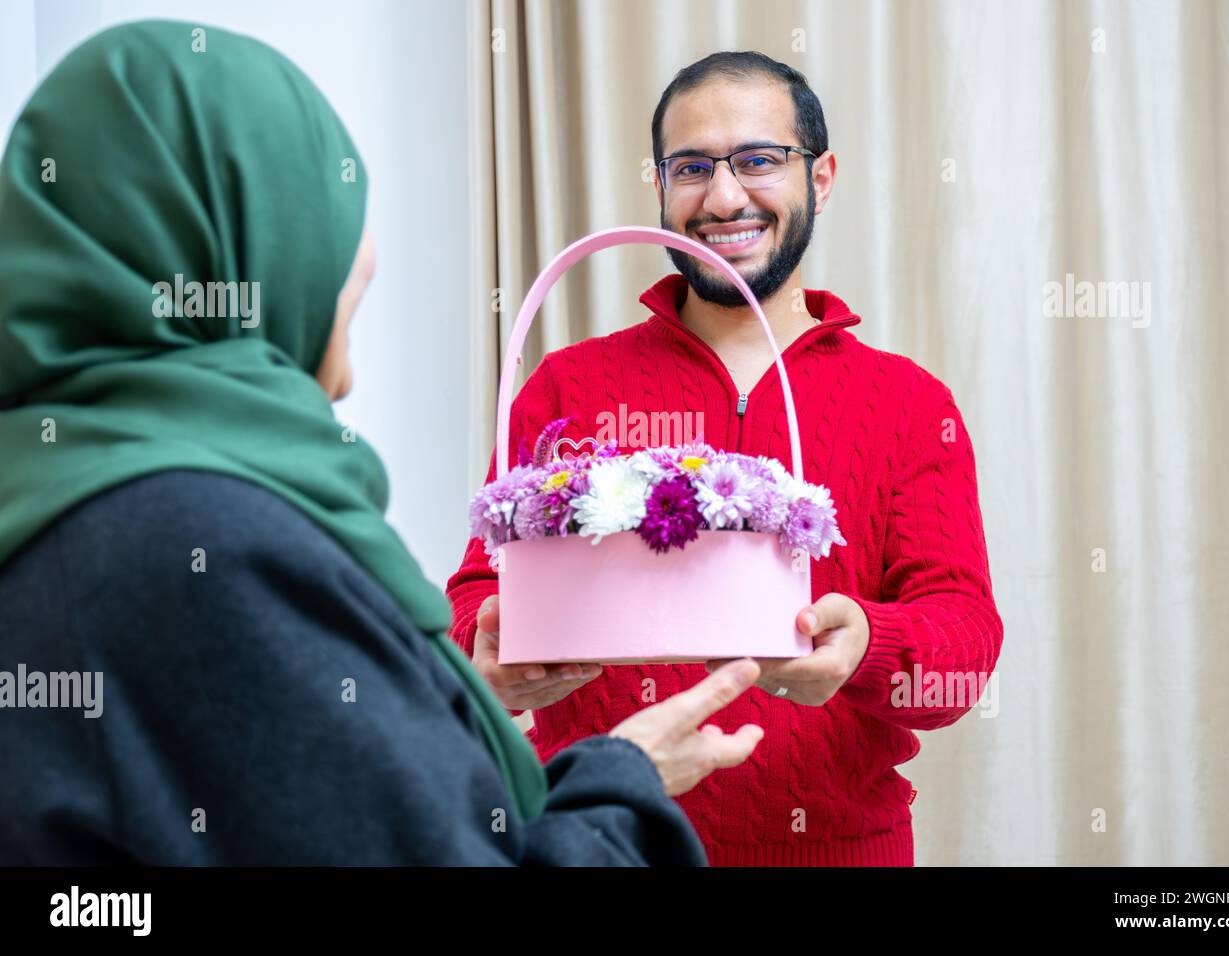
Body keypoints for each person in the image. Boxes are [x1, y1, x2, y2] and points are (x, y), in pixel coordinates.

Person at [0, 21, 764, 866]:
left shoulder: (48, 488)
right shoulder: (207, 542)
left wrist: (450, 696)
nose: (347, 379)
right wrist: (627, 782)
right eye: (337, 299)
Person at [447, 51, 1004, 866]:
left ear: (821, 178)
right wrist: (490, 658)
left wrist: (867, 646)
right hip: (597, 845)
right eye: (692, 167)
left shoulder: (909, 403)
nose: (724, 196)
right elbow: (479, 590)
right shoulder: (571, 383)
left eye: (758, 160)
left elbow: (964, 635)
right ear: (660, 187)